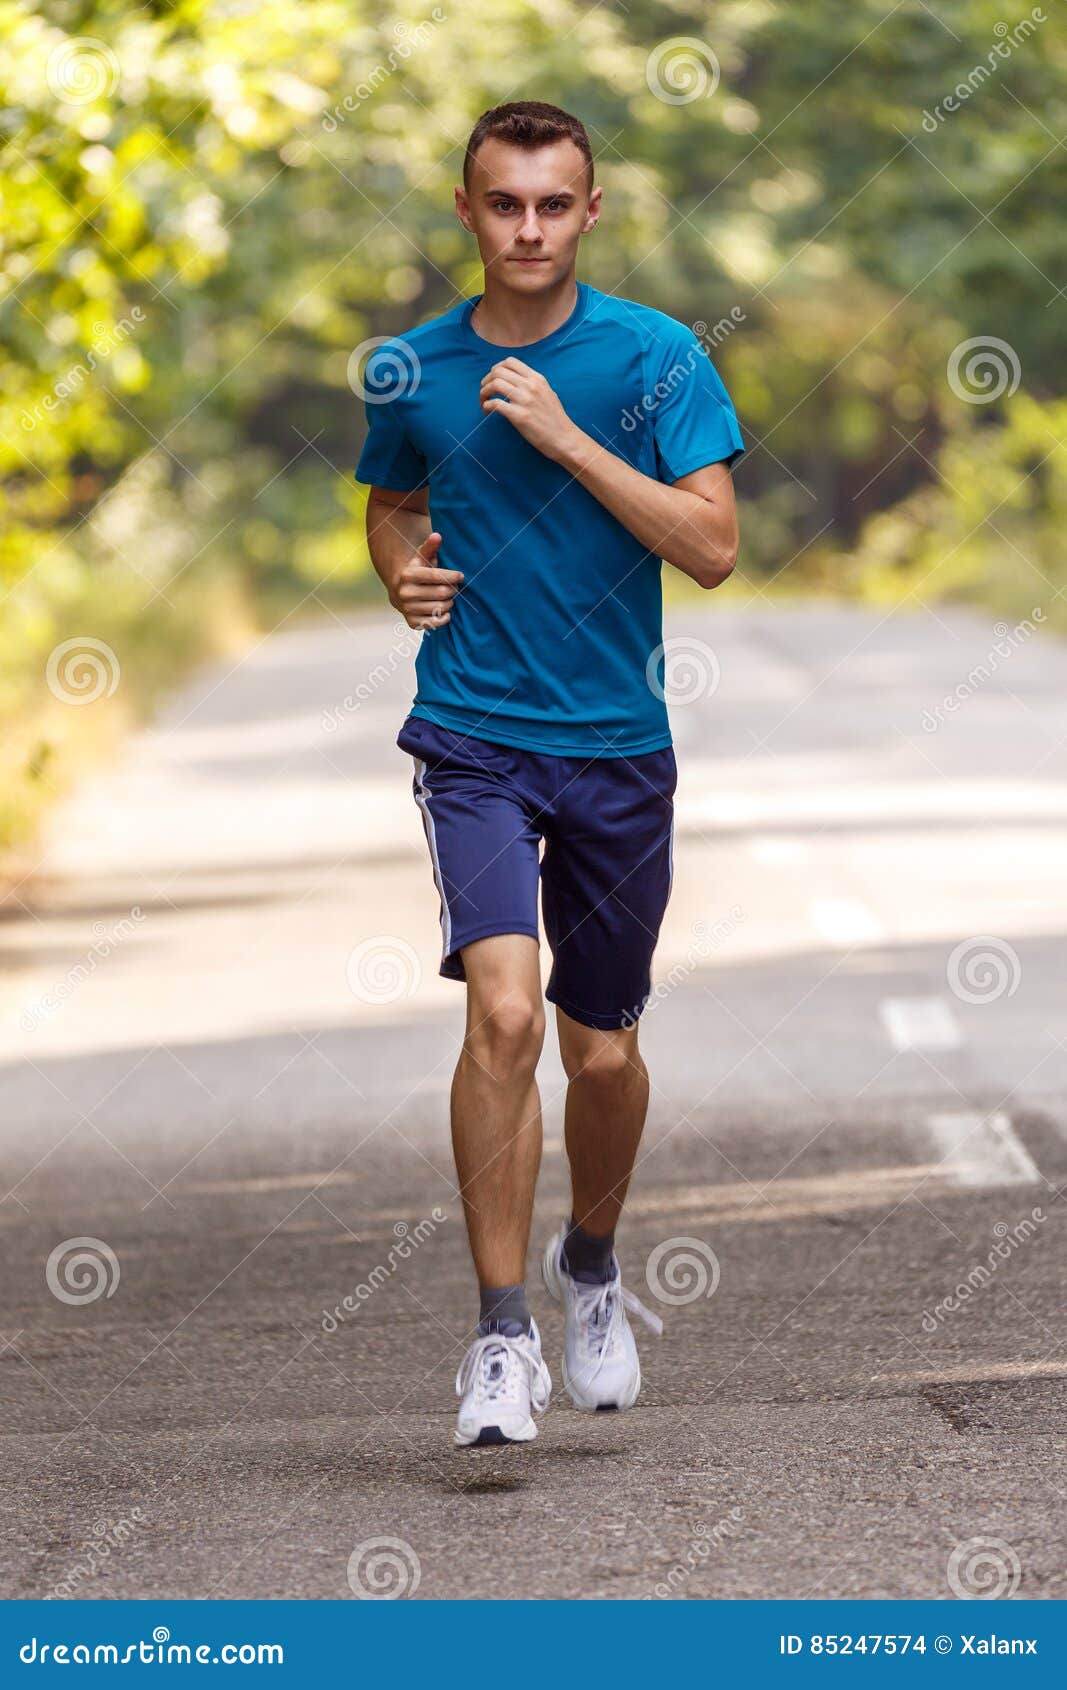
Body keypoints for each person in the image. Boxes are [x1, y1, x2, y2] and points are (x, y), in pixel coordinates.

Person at [355, 100, 743, 1447]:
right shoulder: (410, 368)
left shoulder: (655, 356)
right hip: (471, 735)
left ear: (590, 209)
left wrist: (570, 439)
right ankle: (500, 1334)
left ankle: (591, 1264)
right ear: (466, 211)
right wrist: (401, 567)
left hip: (617, 750)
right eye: (503, 204)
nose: (528, 228)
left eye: (553, 204)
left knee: (605, 1048)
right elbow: (393, 496)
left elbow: (711, 546)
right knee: (507, 1020)